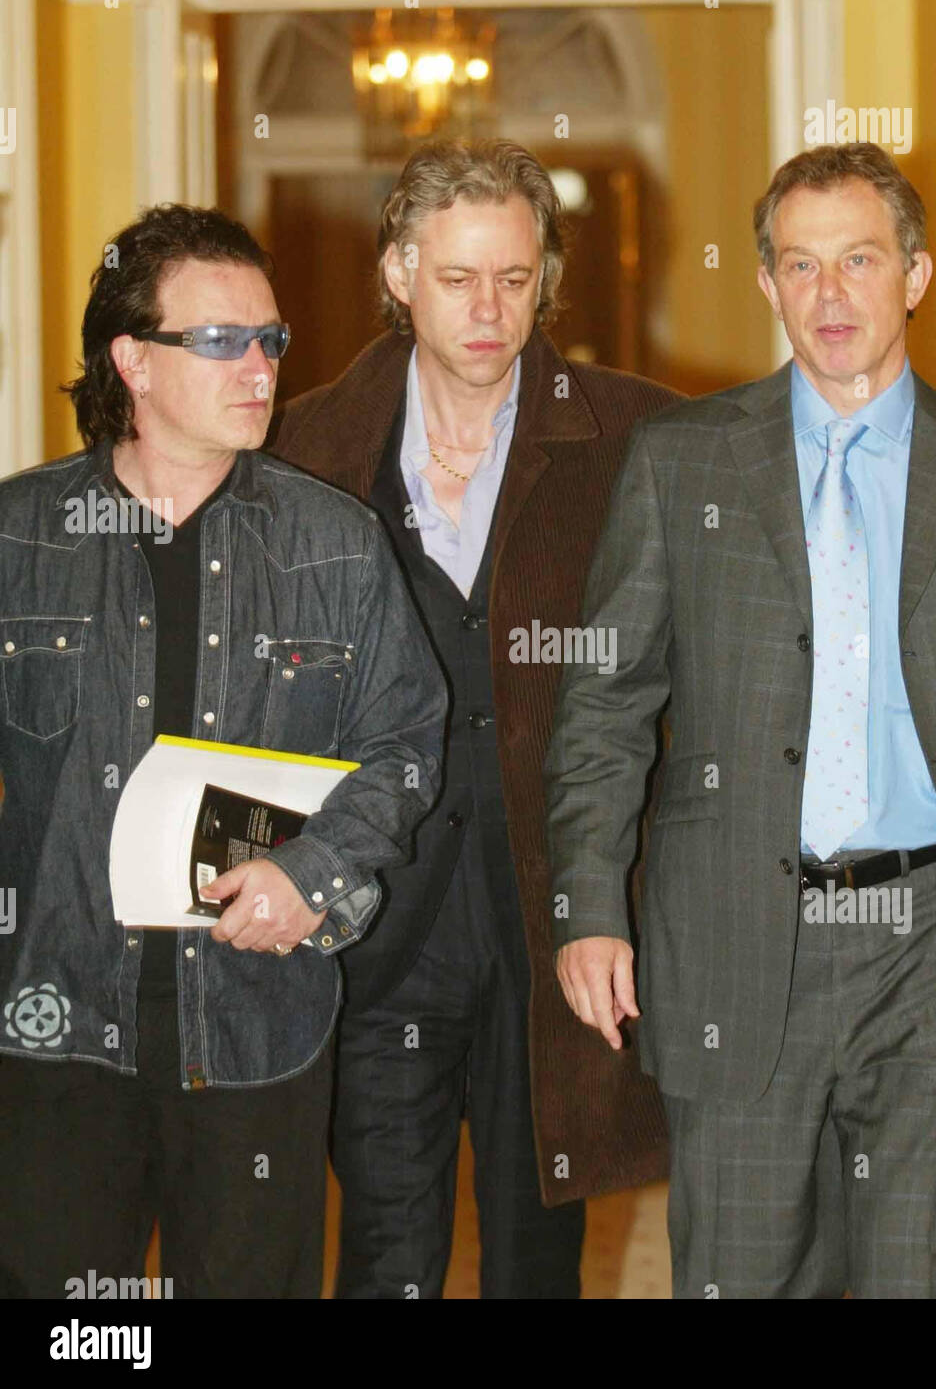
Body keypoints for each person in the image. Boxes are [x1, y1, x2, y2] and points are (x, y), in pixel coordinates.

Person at [544, 141, 936, 1298]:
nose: (827, 295)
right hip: (737, 946)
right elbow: (603, 701)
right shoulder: (680, 463)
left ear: (912, 273)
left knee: (921, 1280)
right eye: (798, 265)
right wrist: (588, 904)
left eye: (856, 259)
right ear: (764, 283)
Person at [0, 205, 446, 1299]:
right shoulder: (19, 539)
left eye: (270, 341)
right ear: (131, 360)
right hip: (52, 1028)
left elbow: (402, 744)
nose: (259, 367)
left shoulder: (333, 541)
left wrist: (316, 874)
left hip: (257, 1028)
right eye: (220, 341)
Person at [270, 137, 680, 1298]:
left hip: (553, 919)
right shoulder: (302, 446)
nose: (489, 308)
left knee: (536, 1253)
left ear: (545, 274)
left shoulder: (637, 435)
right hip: (370, 911)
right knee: (385, 1248)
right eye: (456, 279)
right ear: (399, 273)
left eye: (514, 276)